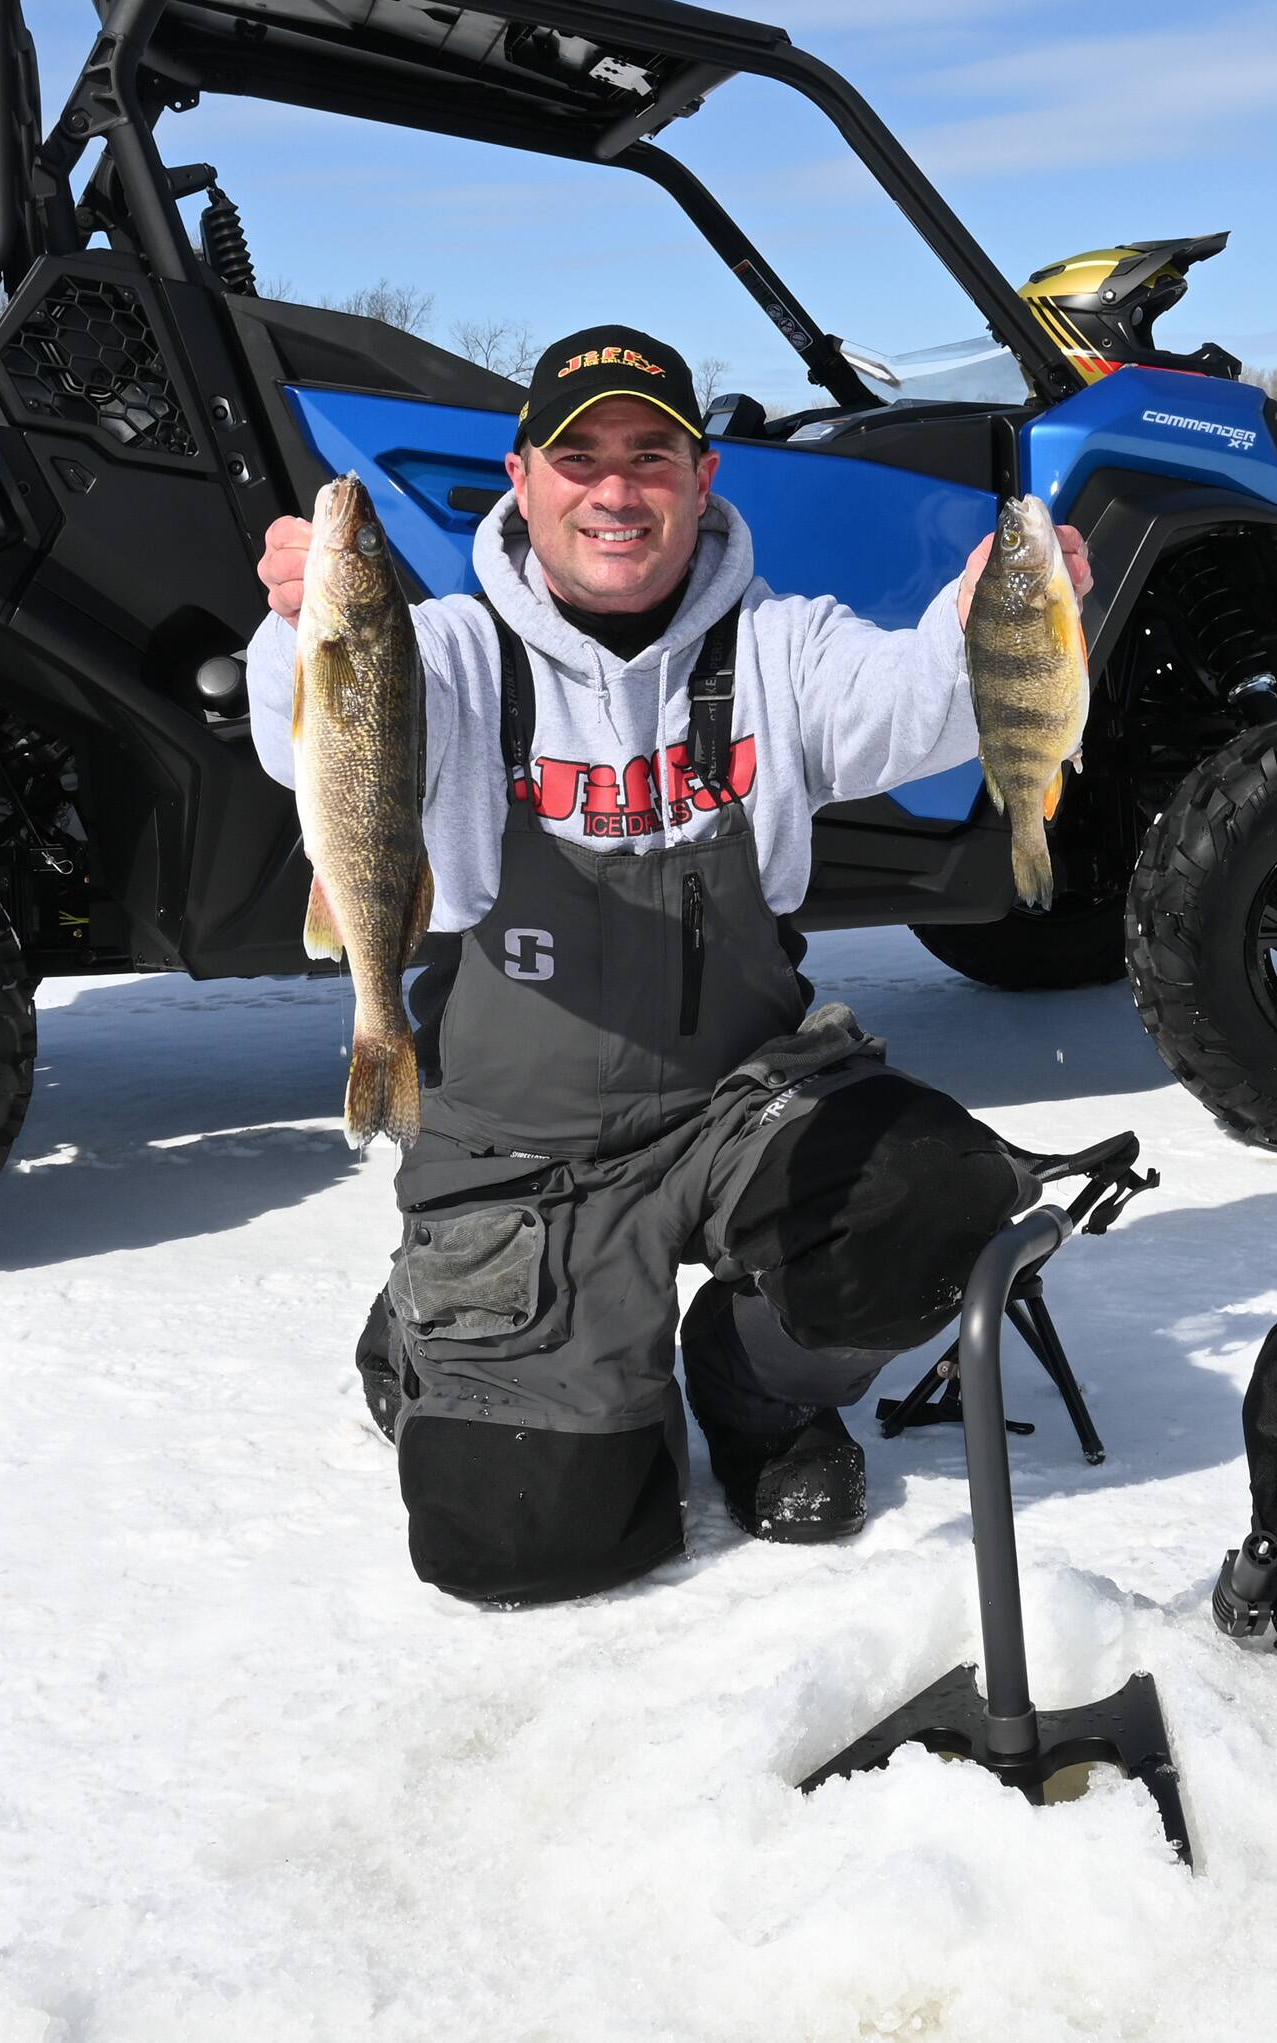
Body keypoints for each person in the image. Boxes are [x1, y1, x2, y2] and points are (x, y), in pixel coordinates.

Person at [245, 324, 1092, 1606]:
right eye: (579, 457)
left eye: (651, 455)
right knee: (527, 1537)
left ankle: (754, 1387)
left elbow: (916, 703)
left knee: (936, 1196)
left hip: (738, 1110)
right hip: (525, 1145)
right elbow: (314, 734)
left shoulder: (780, 648)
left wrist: (983, 619)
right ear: (521, 480)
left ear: (703, 482)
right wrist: (301, 623)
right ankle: (451, 1319)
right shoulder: (458, 655)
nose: (615, 489)